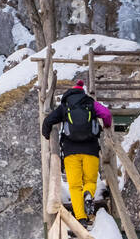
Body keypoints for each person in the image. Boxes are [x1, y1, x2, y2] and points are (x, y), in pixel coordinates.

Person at [42, 76, 112, 225]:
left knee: (74, 186)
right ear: (83, 93)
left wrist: (47, 135)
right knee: (90, 180)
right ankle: (88, 193)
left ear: (69, 94)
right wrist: (106, 126)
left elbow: (48, 121)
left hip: (70, 151)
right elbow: (106, 114)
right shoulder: (90, 103)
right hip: (91, 150)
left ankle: (81, 218)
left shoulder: (65, 106)